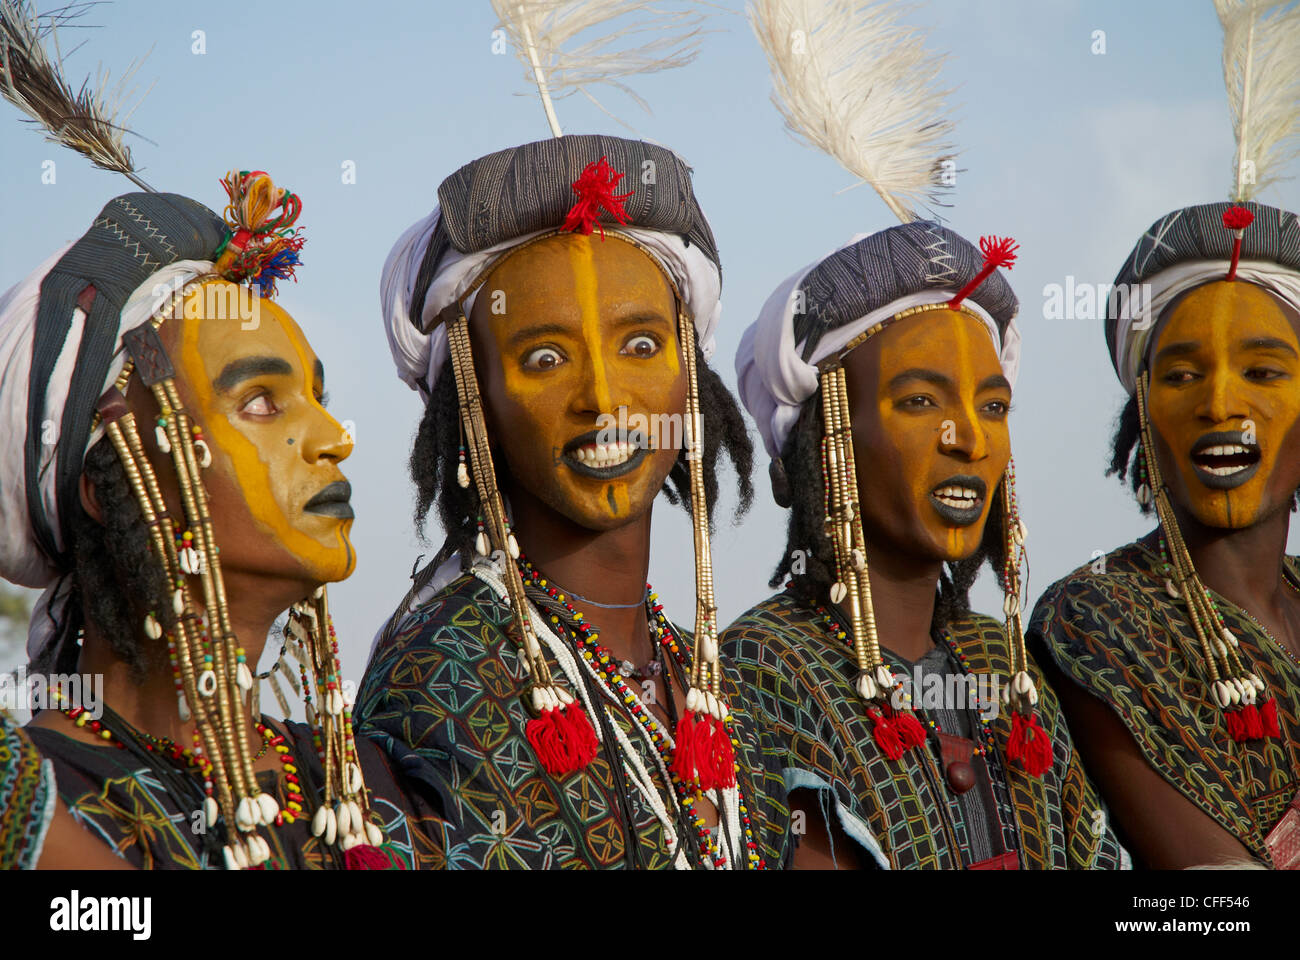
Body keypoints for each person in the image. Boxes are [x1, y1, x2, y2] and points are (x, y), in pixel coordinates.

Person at [719, 0, 1126, 869]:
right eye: (917, 401)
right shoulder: (758, 672)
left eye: (991, 406)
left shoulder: (1005, 663)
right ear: (825, 435)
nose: (967, 441)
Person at [357, 133, 789, 870]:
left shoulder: (711, 679)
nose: (603, 398)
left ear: (691, 376)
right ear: (474, 401)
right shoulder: (437, 679)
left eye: (643, 346)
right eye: (545, 358)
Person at [0, 174, 449, 869]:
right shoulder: (32, 805)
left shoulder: (375, 785)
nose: (334, 436)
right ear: (107, 485)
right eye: (263, 403)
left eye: (317, 396)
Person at [1028, 0, 1300, 871]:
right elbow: (1214, 901)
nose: (1222, 404)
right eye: (1181, 375)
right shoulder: (1098, 622)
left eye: (1264, 372)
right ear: (1141, 415)